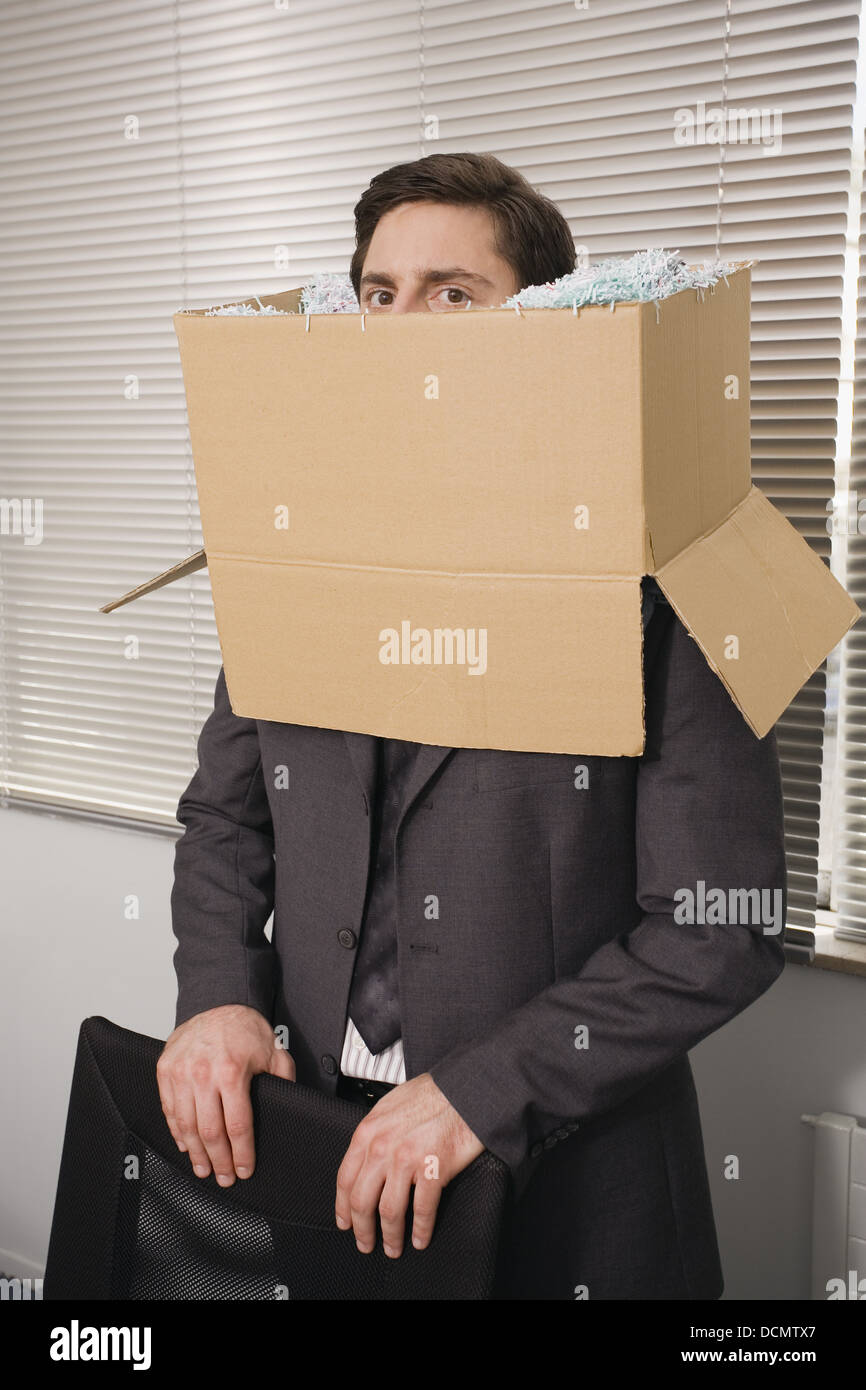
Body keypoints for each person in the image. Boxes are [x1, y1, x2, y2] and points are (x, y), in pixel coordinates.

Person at [157, 152, 787, 1299]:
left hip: (565, 1181)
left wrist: (477, 1094)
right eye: (377, 295)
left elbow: (718, 925)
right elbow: (223, 820)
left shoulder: (667, 574)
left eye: (451, 295)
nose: (402, 330)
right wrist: (215, 995)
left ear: (540, 322)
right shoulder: (291, 551)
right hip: (316, 1143)